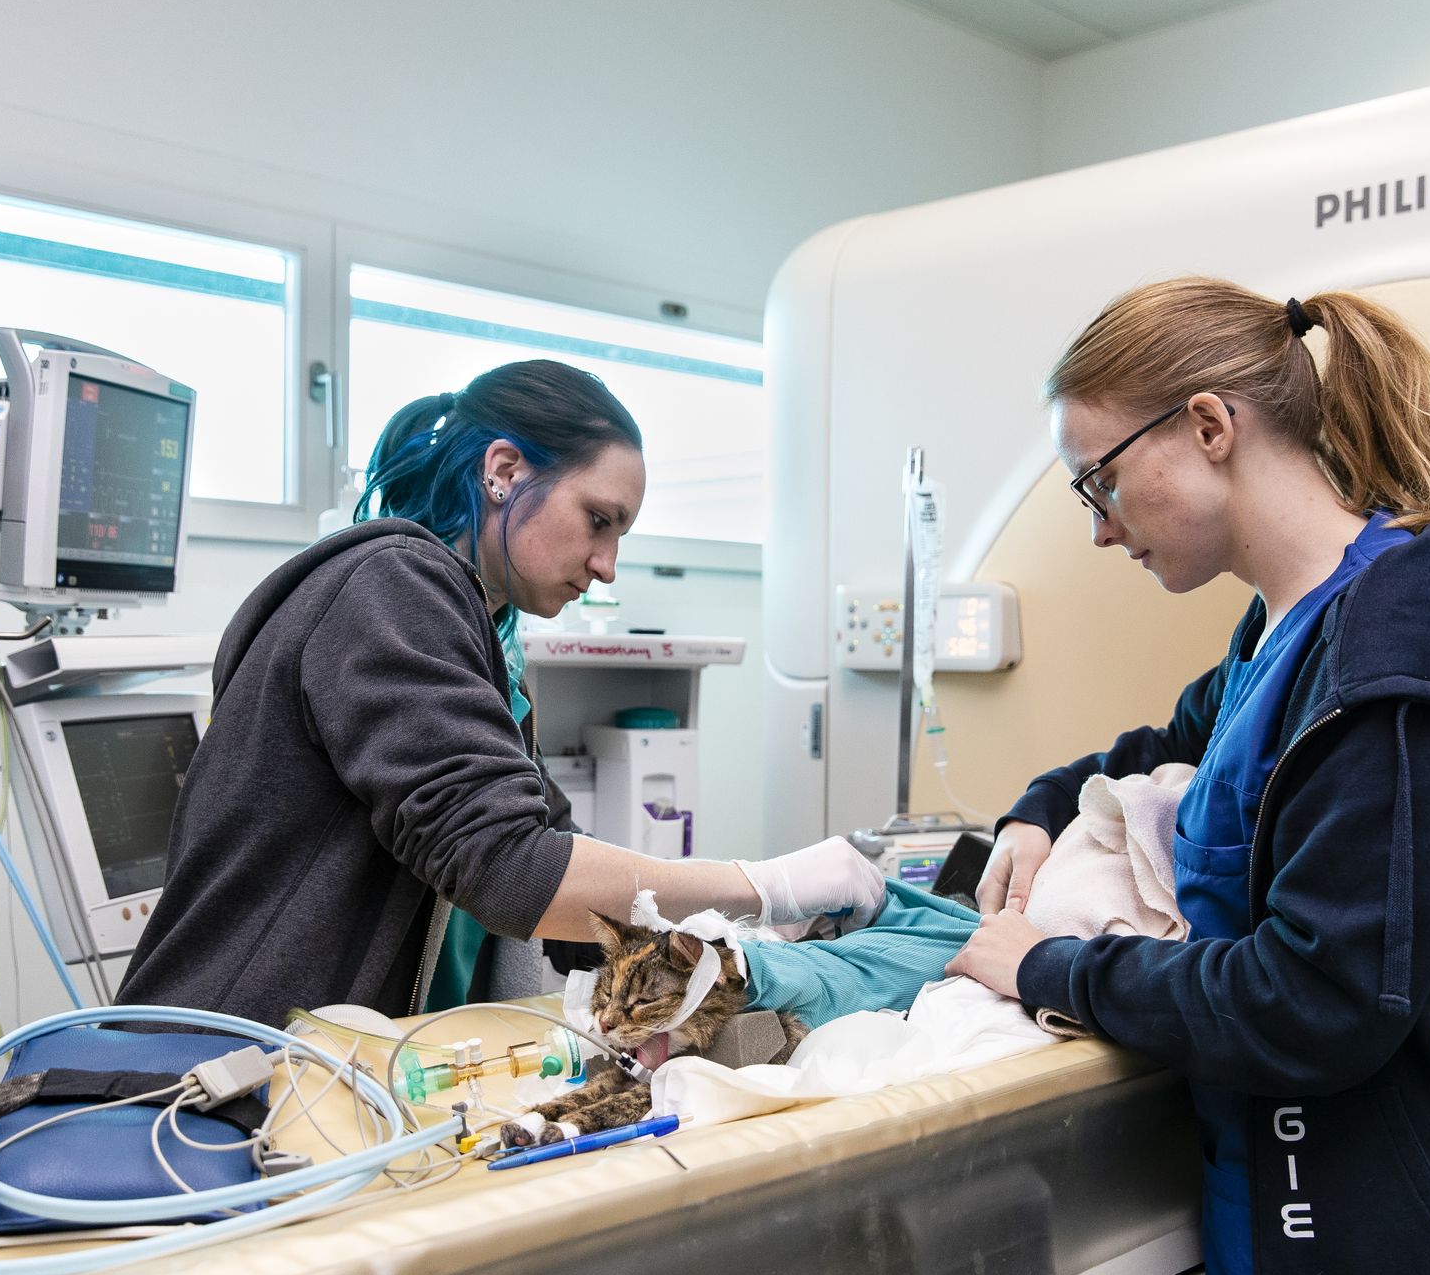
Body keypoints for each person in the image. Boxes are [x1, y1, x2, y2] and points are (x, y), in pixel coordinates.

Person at [946, 280, 1430, 1275]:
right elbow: (1159, 749)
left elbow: (1314, 1000)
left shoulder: (1395, 662)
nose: (1103, 529)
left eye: (1101, 482)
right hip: (1311, 1226)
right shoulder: (1283, 633)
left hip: (1427, 1273)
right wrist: (1034, 813)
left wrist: (1047, 966)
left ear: (1208, 425)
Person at [118, 359, 881, 1027]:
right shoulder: (389, 588)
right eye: (598, 520)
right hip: (228, 1061)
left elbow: (559, 867)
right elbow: (512, 866)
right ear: (506, 471)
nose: (607, 564)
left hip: (330, 1058)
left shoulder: (476, 642)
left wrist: (743, 947)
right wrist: (768, 885)